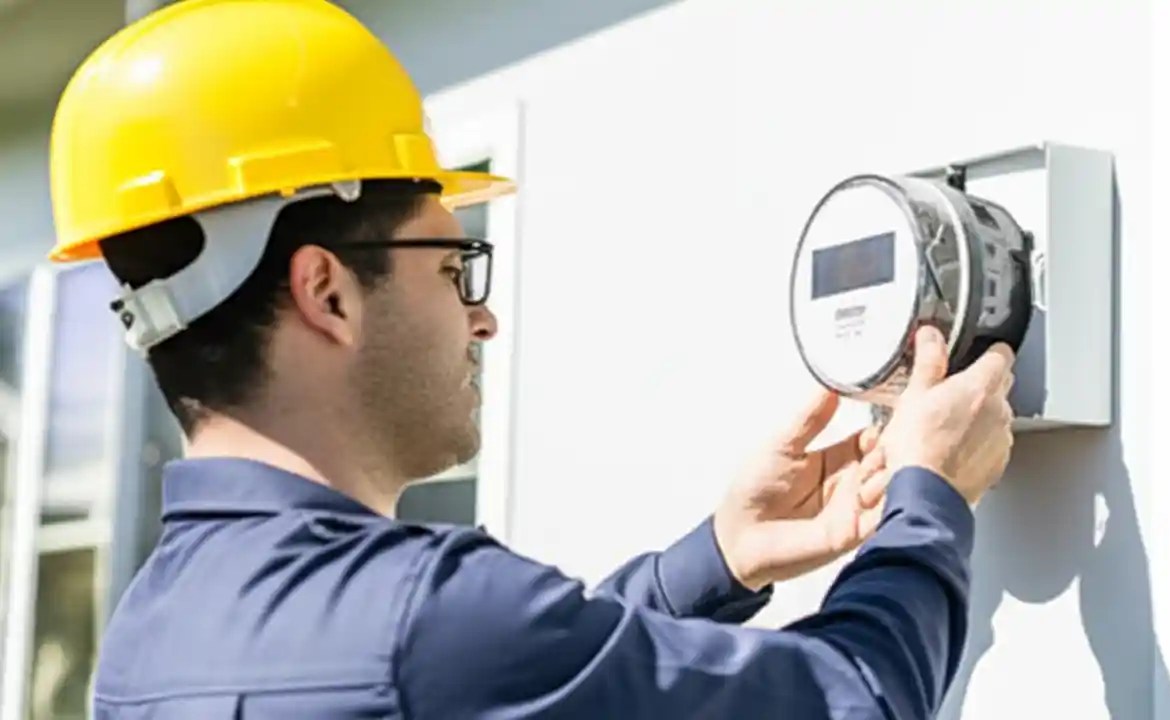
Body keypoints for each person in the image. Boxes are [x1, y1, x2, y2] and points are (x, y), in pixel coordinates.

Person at [48, 1, 1015, 718]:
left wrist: (718, 561)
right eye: (454, 265)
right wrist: (927, 498)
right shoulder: (424, 619)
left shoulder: (151, 631)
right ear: (327, 292)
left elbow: (497, 674)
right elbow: (852, 699)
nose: (485, 320)